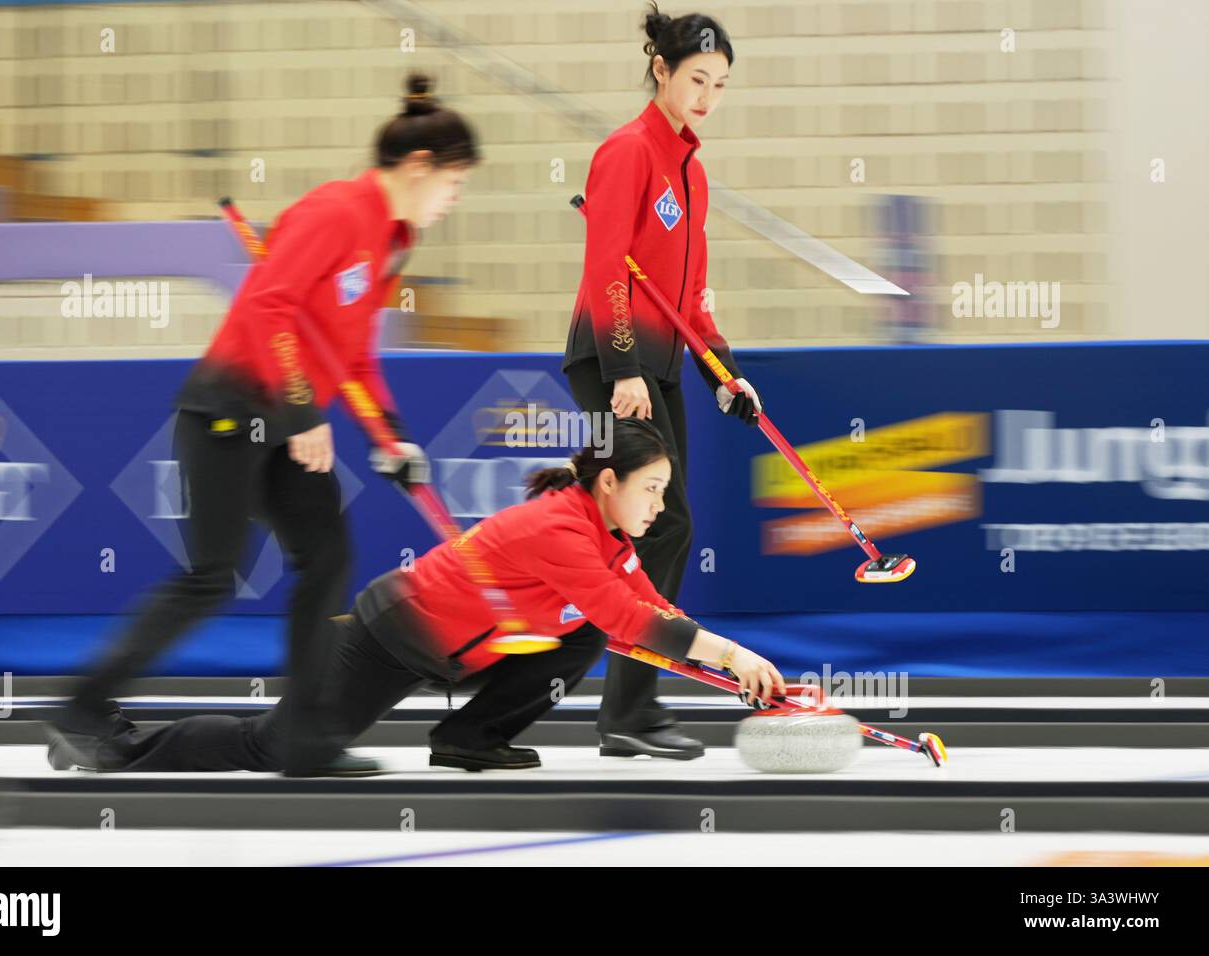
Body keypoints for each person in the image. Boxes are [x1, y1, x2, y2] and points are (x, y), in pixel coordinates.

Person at [47, 74, 480, 777]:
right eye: (455, 182)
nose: (456, 199)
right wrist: (306, 410)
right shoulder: (336, 211)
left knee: (328, 555)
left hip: (280, 418)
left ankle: (302, 736)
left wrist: (390, 433)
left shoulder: (392, 238)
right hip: (230, 406)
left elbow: (352, 349)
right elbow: (272, 307)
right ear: (419, 166)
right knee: (213, 576)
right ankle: (81, 707)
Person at [46, 419, 785, 774]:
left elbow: (645, 617)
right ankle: (112, 745)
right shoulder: (561, 529)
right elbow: (630, 617)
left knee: (588, 632)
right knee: (276, 747)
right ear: (607, 484)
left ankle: (470, 738)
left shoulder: (611, 541)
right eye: (651, 489)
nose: (659, 506)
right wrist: (734, 653)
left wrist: (735, 664)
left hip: (462, 650)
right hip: (391, 635)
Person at [563, 4, 763, 760]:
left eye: (720, 84)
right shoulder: (627, 152)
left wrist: (727, 377)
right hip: (615, 362)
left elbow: (694, 302)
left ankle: (630, 706)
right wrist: (621, 372)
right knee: (663, 522)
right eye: (697, 80)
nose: (708, 96)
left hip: (664, 363)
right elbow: (606, 269)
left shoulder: (693, 172)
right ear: (662, 71)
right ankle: (628, 709)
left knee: (662, 526)